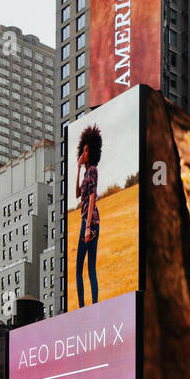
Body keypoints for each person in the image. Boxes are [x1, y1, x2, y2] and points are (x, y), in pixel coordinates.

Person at [74, 124, 102, 307]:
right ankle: (92, 304)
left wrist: (88, 227)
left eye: (86, 150)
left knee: (81, 268)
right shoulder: (85, 173)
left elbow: (92, 198)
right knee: (89, 267)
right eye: (82, 150)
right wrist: (77, 169)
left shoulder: (92, 170)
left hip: (90, 222)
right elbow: (77, 194)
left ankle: (86, 306)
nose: (83, 153)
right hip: (90, 221)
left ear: (91, 151)